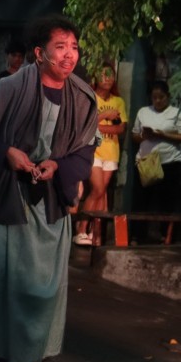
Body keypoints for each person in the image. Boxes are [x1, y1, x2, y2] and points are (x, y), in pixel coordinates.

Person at [0, 15, 98, 362]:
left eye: (73, 47)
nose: (69, 55)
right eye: (60, 47)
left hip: (50, 204)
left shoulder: (83, 98)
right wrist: (6, 154)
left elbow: (85, 150)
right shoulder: (7, 89)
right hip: (9, 200)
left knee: (45, 292)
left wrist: (59, 167)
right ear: (40, 53)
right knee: (6, 287)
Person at [74, 63, 128, 246]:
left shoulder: (118, 101)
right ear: (96, 77)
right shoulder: (90, 97)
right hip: (93, 150)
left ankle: (89, 230)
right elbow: (86, 125)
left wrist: (99, 125)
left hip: (111, 152)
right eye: (104, 75)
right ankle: (81, 229)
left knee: (101, 192)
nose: (108, 78)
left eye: (111, 75)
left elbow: (120, 128)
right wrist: (105, 114)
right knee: (97, 189)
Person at [131, 81, 181, 230]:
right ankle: (137, 235)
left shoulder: (177, 114)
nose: (157, 101)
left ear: (168, 97)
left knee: (167, 201)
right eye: (154, 97)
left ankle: (166, 235)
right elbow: (134, 136)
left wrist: (164, 135)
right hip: (146, 162)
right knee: (141, 200)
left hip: (169, 163)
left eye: (161, 97)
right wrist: (145, 136)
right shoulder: (143, 112)